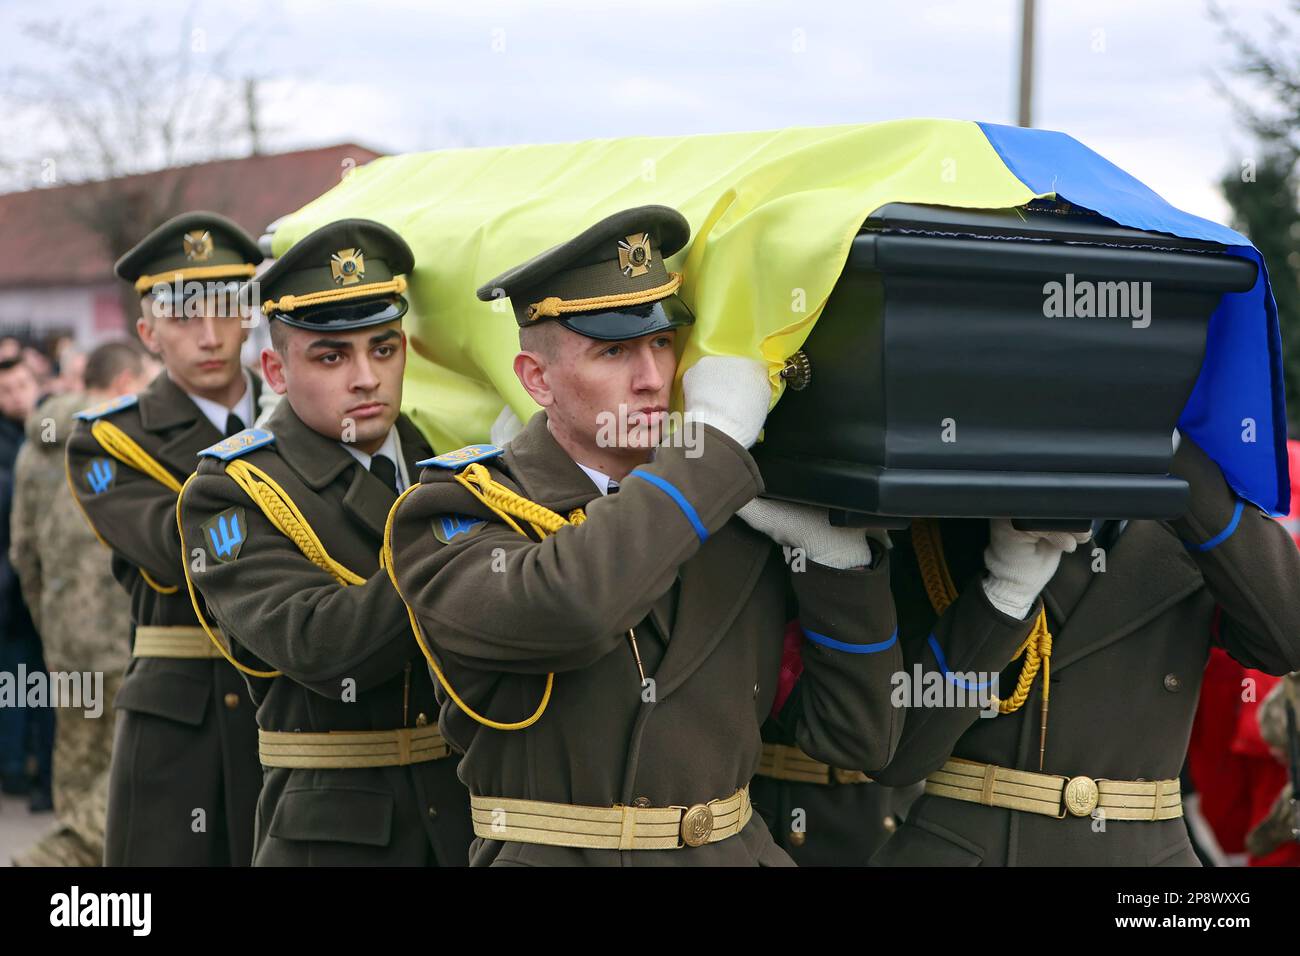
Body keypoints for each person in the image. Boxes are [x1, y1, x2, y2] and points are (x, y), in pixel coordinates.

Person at [385, 205, 901, 866]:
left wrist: (836, 561)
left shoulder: (732, 511)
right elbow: (572, 609)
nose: (654, 378)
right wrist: (709, 451)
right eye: (614, 350)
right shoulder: (458, 510)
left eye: (662, 342)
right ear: (536, 379)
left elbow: (860, 738)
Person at [177, 219, 472, 866]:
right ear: (276, 371)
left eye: (385, 348)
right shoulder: (235, 488)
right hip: (338, 832)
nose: (366, 377)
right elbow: (325, 646)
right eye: (332, 357)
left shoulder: (440, 457)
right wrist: (466, 537)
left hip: (464, 812)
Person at [869, 432, 1300, 866]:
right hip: (974, 847)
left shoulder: (1200, 511)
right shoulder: (958, 498)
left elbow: (1286, 641)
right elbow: (898, 758)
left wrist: (1175, 453)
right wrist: (1004, 592)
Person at [65, 212, 265, 865]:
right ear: (148, 333)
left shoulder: (298, 412)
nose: (209, 336)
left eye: (224, 311)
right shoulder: (109, 439)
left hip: (292, 705)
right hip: (185, 718)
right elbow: (183, 550)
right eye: (183, 319)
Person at [10, 341, 156, 866]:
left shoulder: (35, 445)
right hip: (126, 633)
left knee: (73, 764)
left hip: (63, 636)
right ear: (122, 384)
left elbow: (23, 550)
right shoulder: (125, 443)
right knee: (127, 771)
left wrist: (49, 616)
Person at [0, 356, 53, 810]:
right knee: (16, 683)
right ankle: (16, 767)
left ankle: (43, 770)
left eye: (21, 386)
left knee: (51, 684)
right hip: (11, 592)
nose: (15, 396)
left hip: (50, 588)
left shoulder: (52, 435)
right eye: (6, 389)